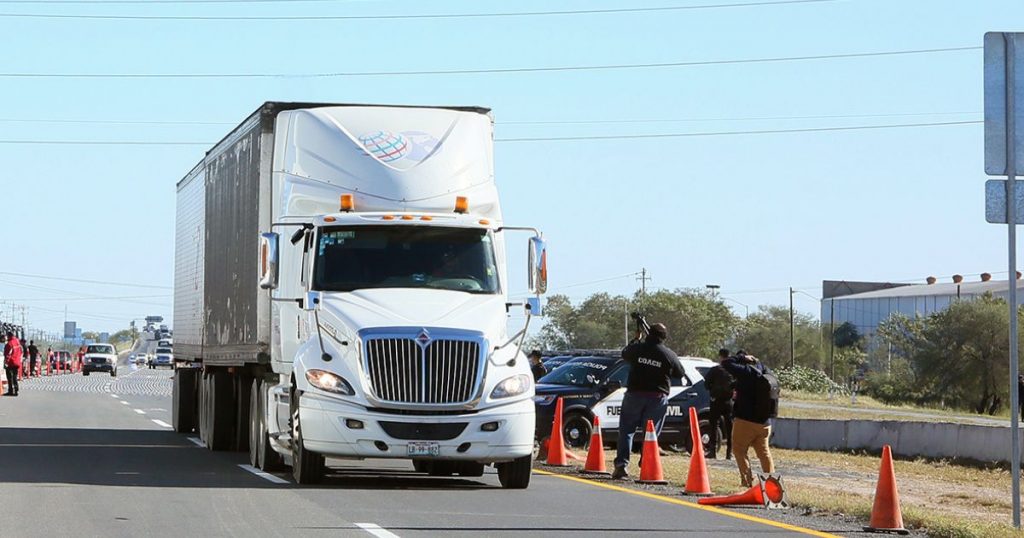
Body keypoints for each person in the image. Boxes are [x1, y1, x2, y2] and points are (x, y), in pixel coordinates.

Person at [611, 322, 684, 480]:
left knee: (626, 431)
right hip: (657, 398)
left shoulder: (638, 349)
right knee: (651, 434)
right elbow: (680, 373)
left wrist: (636, 339)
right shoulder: (668, 354)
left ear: (648, 333)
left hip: (634, 395)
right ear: (664, 337)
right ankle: (647, 464)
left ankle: (621, 466)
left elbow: (625, 354)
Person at [721, 350, 779, 487]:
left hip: (745, 421)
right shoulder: (765, 370)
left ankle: (747, 482)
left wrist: (740, 357)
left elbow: (726, 363)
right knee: (764, 453)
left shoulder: (745, 371)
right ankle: (772, 485)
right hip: (765, 423)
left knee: (739, 450)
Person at [704, 348, 736, 460]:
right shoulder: (733, 371)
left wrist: (713, 390)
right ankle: (729, 452)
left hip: (716, 400)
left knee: (714, 425)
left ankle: (712, 450)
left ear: (720, 357)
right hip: (729, 402)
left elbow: (706, 384)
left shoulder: (715, 370)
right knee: (729, 426)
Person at [4, 331, 23, 396]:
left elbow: (7, 355)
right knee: (15, 377)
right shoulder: (17, 342)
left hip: (11, 363)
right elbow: (21, 351)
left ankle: (11, 391)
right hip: (17, 362)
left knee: (10, 378)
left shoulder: (9, 344)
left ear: (8, 336)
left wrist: (6, 363)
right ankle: (16, 390)